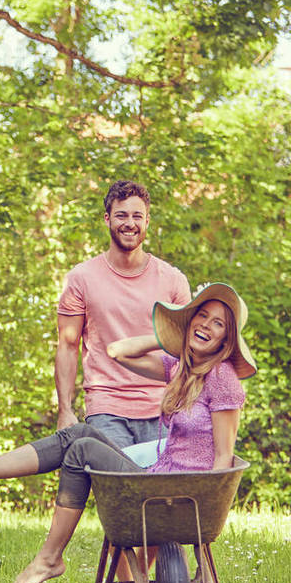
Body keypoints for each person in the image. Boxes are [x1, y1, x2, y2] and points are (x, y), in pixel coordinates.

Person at [0, 283, 257, 583]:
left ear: (226, 340)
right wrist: (171, 338)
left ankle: (49, 557)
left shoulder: (222, 377)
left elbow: (224, 456)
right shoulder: (178, 369)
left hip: (185, 495)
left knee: (82, 449)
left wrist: (206, 514)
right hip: (158, 482)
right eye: (201, 316)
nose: (206, 325)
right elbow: (118, 351)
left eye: (218, 324)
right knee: (78, 434)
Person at [56, 180, 191, 447]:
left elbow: (189, 352)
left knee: (161, 489)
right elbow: (68, 345)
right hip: (106, 408)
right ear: (107, 219)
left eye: (137, 216)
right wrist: (65, 410)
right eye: (121, 215)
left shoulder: (172, 280)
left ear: (147, 221)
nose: (129, 223)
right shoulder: (81, 278)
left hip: (163, 409)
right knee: (119, 485)